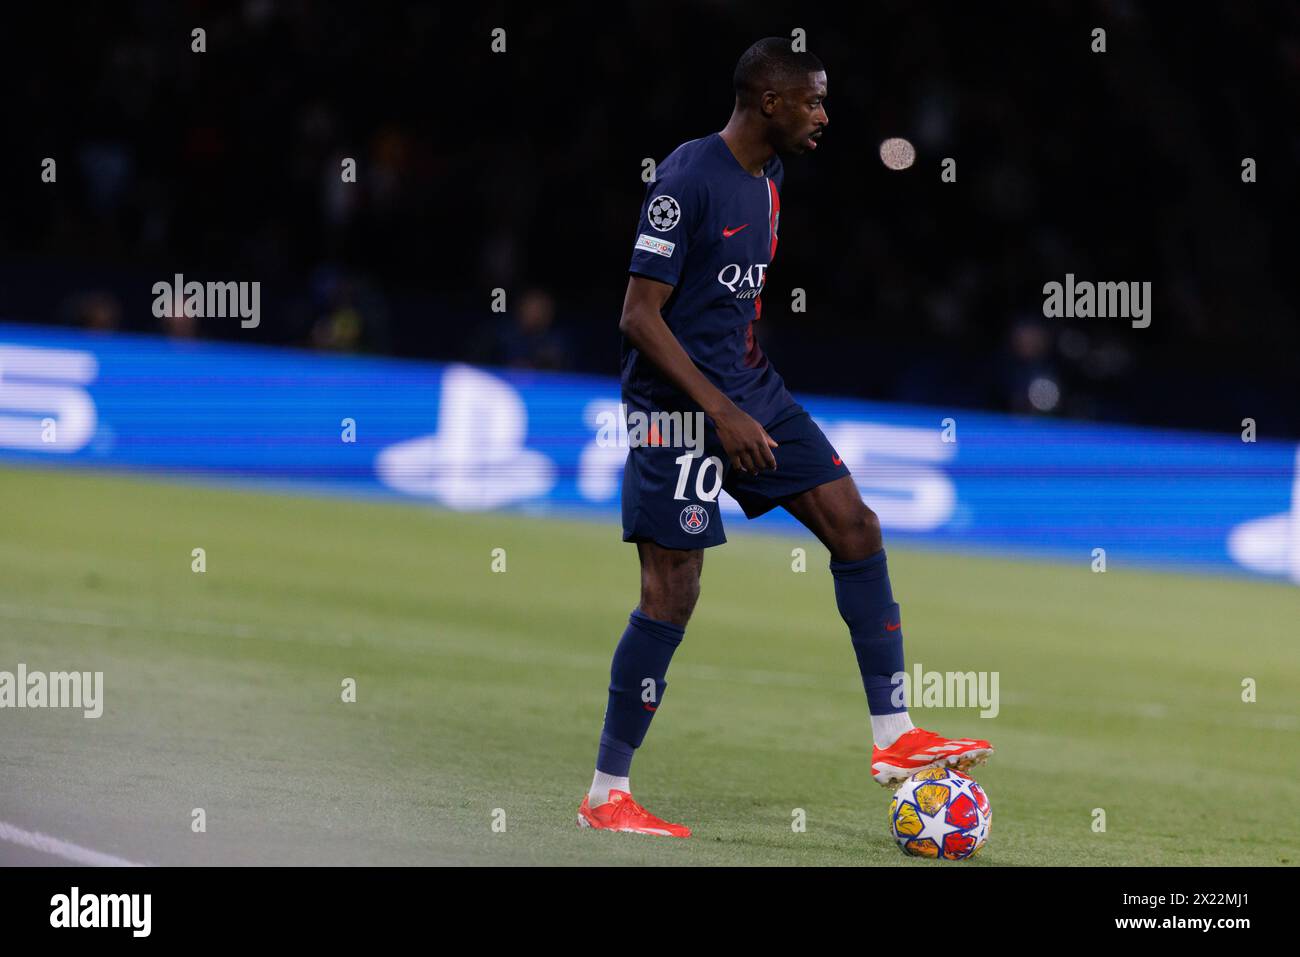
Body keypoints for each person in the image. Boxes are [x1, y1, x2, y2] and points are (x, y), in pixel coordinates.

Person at [577, 38, 993, 838]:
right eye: (813, 100)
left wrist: (745, 404)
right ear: (769, 101)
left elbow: (730, 307)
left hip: (750, 391)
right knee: (673, 593)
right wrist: (718, 415)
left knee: (856, 524)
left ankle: (893, 737)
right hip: (673, 409)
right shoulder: (686, 180)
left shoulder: (769, 181)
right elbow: (638, 316)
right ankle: (606, 793)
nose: (824, 116)